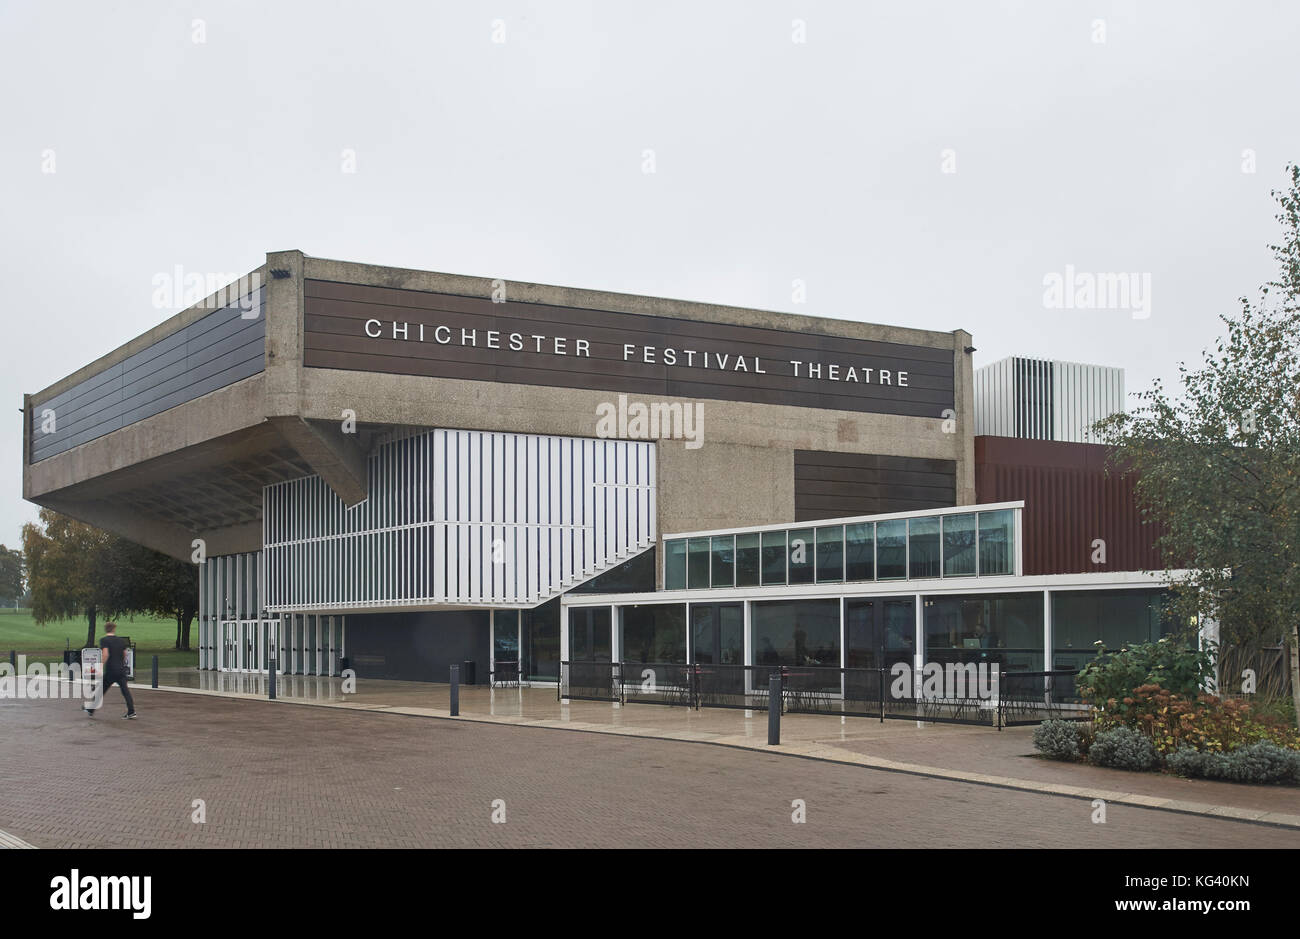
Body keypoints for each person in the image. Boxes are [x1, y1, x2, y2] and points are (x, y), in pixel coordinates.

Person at [85, 622, 136, 719]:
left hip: (111, 670)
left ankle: (91, 709)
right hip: (121, 670)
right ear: (114, 629)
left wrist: (100, 666)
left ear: (105, 629)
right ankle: (131, 711)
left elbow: (105, 654)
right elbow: (125, 654)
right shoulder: (121, 641)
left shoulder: (104, 640)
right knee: (125, 691)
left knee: (101, 690)